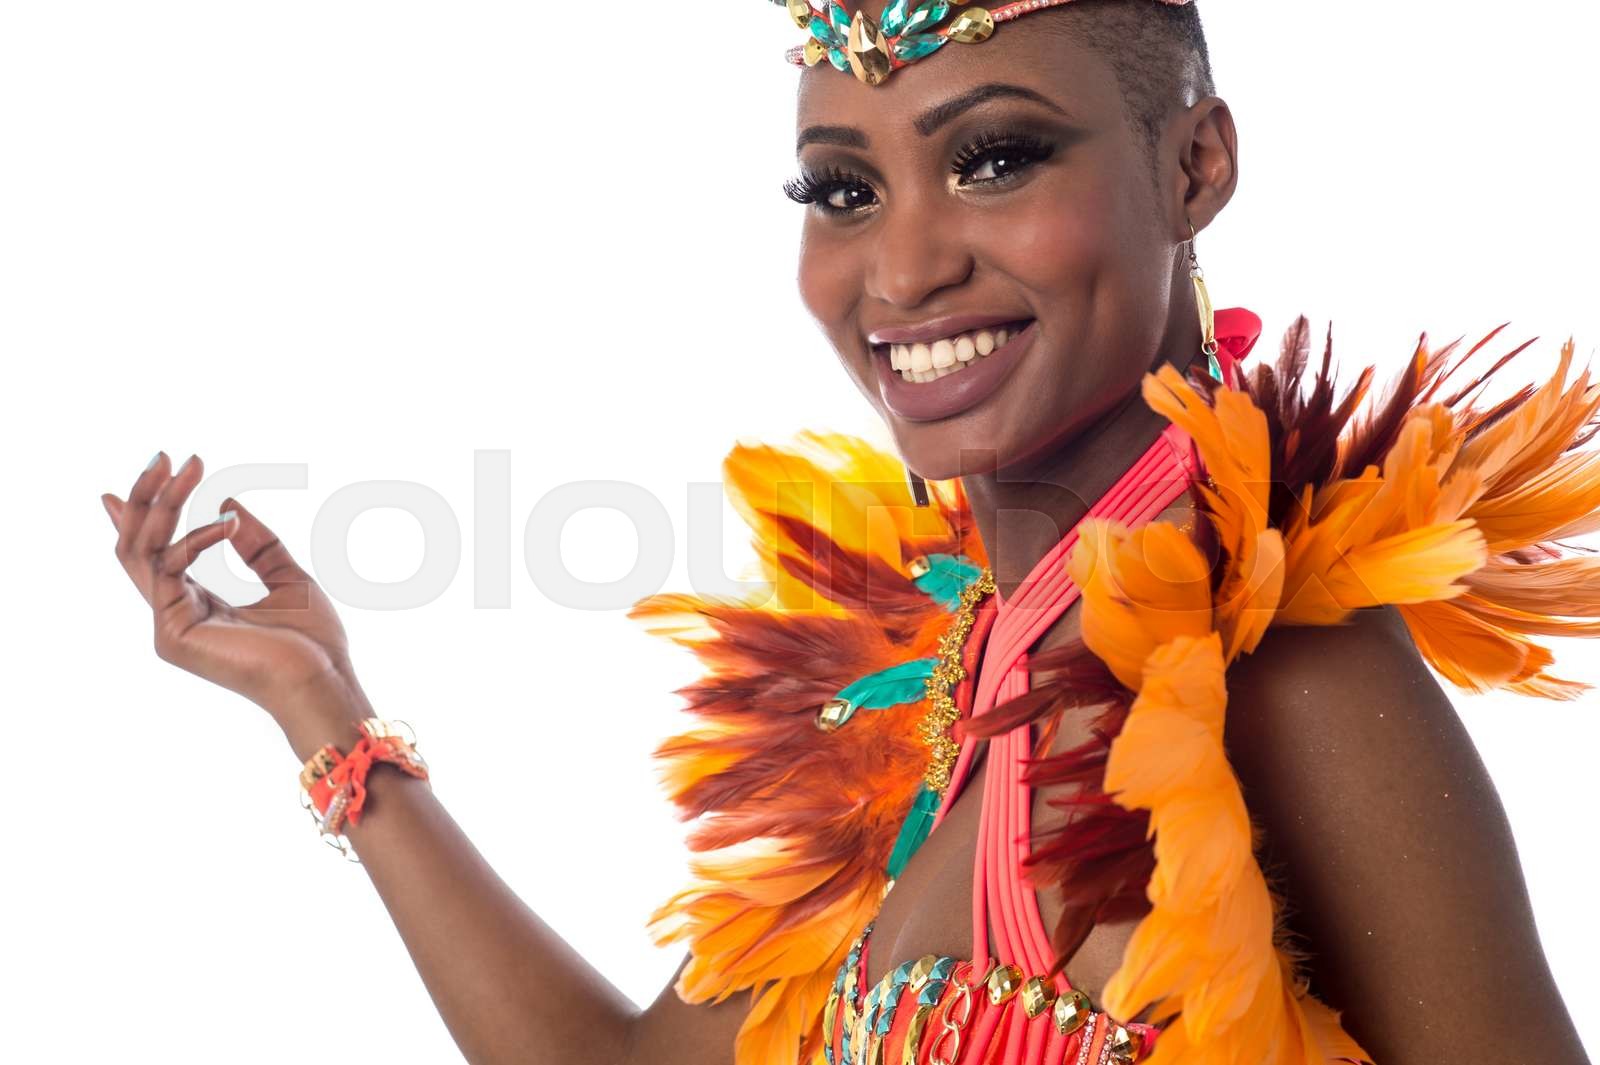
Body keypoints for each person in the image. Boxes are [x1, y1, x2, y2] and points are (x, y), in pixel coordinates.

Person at [99, 1, 1595, 1062]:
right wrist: (323, 705)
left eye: (998, 157)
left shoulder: (1288, 677)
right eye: (843, 188)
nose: (908, 264)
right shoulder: (926, 697)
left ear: (1193, 166)